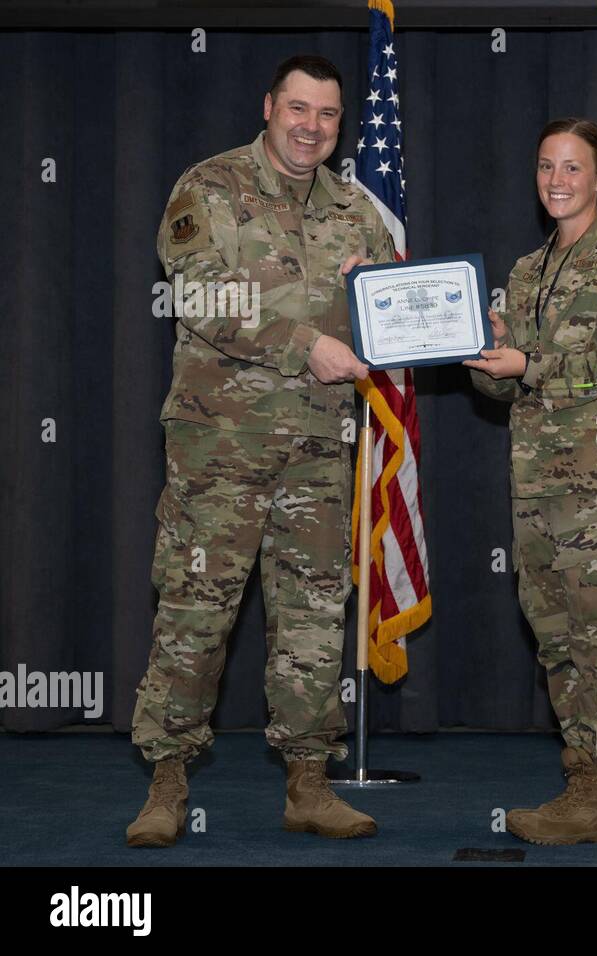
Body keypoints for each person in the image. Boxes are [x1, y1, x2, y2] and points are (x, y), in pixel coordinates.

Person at [127, 55, 392, 847]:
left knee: (314, 616)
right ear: (269, 105)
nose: (312, 127)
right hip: (220, 448)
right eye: (299, 109)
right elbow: (201, 295)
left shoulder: (357, 208)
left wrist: (384, 295)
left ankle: (309, 784)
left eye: (328, 115)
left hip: (318, 444)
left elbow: (385, 305)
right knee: (194, 612)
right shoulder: (208, 188)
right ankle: (167, 784)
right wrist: (304, 341)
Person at [465, 118, 597, 845]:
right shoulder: (526, 271)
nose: (558, 180)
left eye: (573, 168)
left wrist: (526, 363)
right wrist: (482, 357)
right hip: (536, 496)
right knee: (557, 645)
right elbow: (504, 391)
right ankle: (581, 783)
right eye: (547, 166)